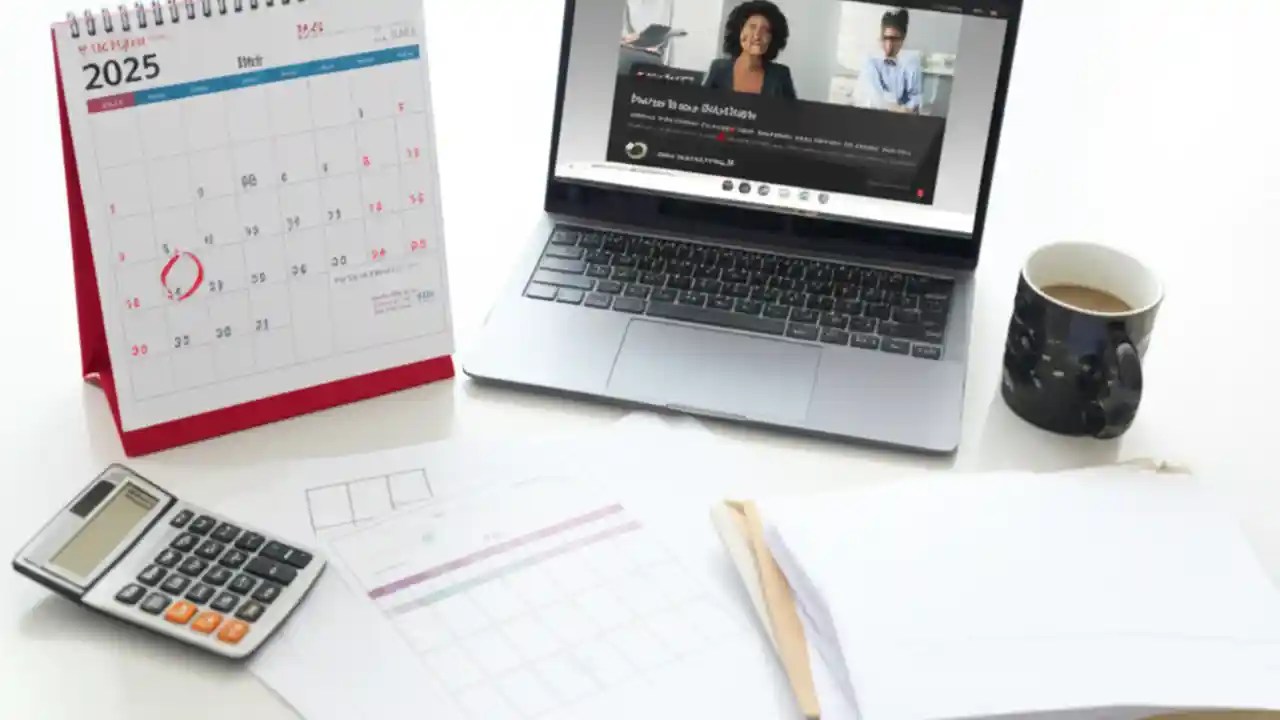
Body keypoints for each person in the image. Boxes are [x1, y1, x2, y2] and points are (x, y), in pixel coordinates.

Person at [703, 0, 797, 100]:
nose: (757, 36)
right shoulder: (718, 69)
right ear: (739, 31)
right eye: (752, 27)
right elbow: (701, 105)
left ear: (772, 38)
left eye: (765, 30)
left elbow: (792, 109)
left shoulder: (781, 75)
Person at [858, 8, 922, 114]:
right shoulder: (871, 61)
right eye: (885, 38)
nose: (889, 45)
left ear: (902, 39)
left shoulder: (912, 61)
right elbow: (876, 96)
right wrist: (899, 110)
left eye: (895, 39)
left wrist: (909, 109)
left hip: (903, 116)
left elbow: (915, 96)